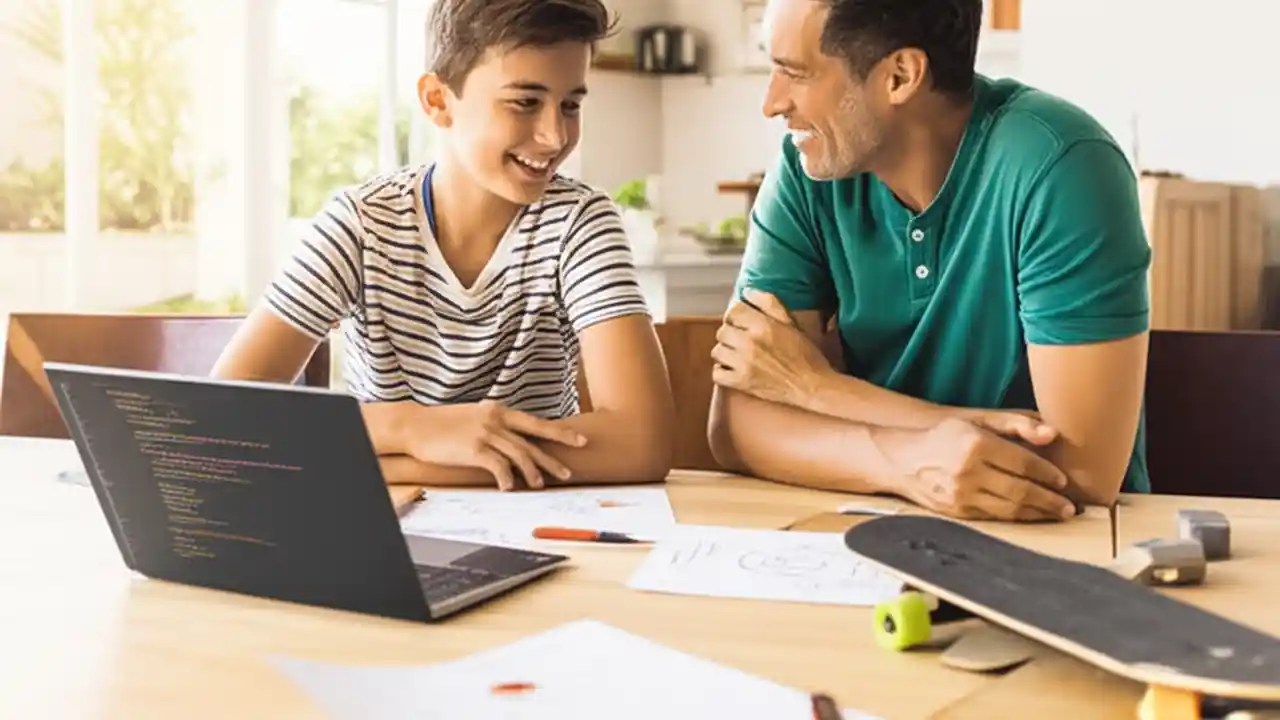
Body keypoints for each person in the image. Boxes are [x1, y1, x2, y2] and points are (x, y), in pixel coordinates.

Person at [707, 0, 1151, 521]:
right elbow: (737, 425)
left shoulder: (1061, 164)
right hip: (854, 525)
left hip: (1060, 539)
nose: (772, 103)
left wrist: (818, 389)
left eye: (795, 73)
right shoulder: (807, 166)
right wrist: (901, 463)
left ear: (900, 76)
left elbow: (1081, 472)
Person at [212, 0, 674, 492]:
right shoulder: (362, 224)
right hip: (385, 529)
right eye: (524, 102)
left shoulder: (580, 223)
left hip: (538, 522)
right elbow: (223, 418)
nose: (553, 136)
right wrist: (414, 428)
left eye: (571, 105)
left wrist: (388, 463)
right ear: (437, 100)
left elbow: (642, 440)